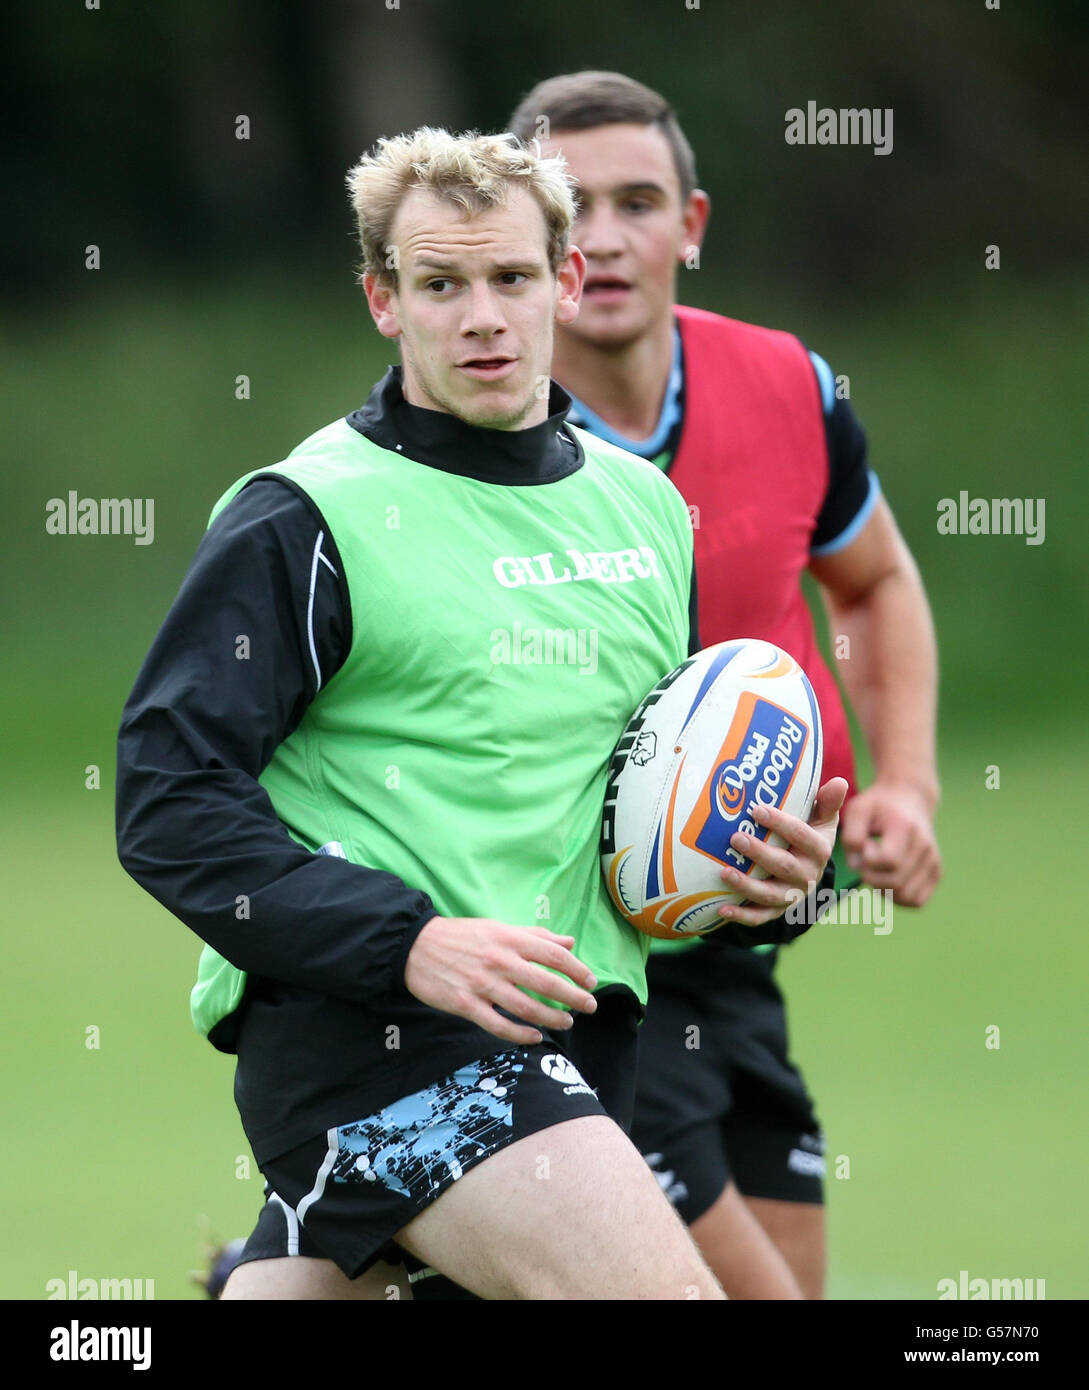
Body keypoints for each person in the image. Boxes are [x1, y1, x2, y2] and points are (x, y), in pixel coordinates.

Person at [117, 126, 845, 1301]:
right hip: (373, 1039)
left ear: (563, 282)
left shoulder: (645, 511)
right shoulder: (302, 517)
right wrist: (404, 940)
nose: (482, 316)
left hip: (579, 1042)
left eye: (510, 278)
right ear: (383, 301)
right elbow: (167, 799)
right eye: (440, 284)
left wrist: (760, 876)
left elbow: (623, 825)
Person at [503, 72, 943, 1301]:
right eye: (570, 205)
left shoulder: (791, 386)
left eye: (637, 201)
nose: (602, 235)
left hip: (747, 940)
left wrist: (901, 783)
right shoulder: (478, 440)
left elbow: (876, 585)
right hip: (584, 970)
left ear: (691, 224)